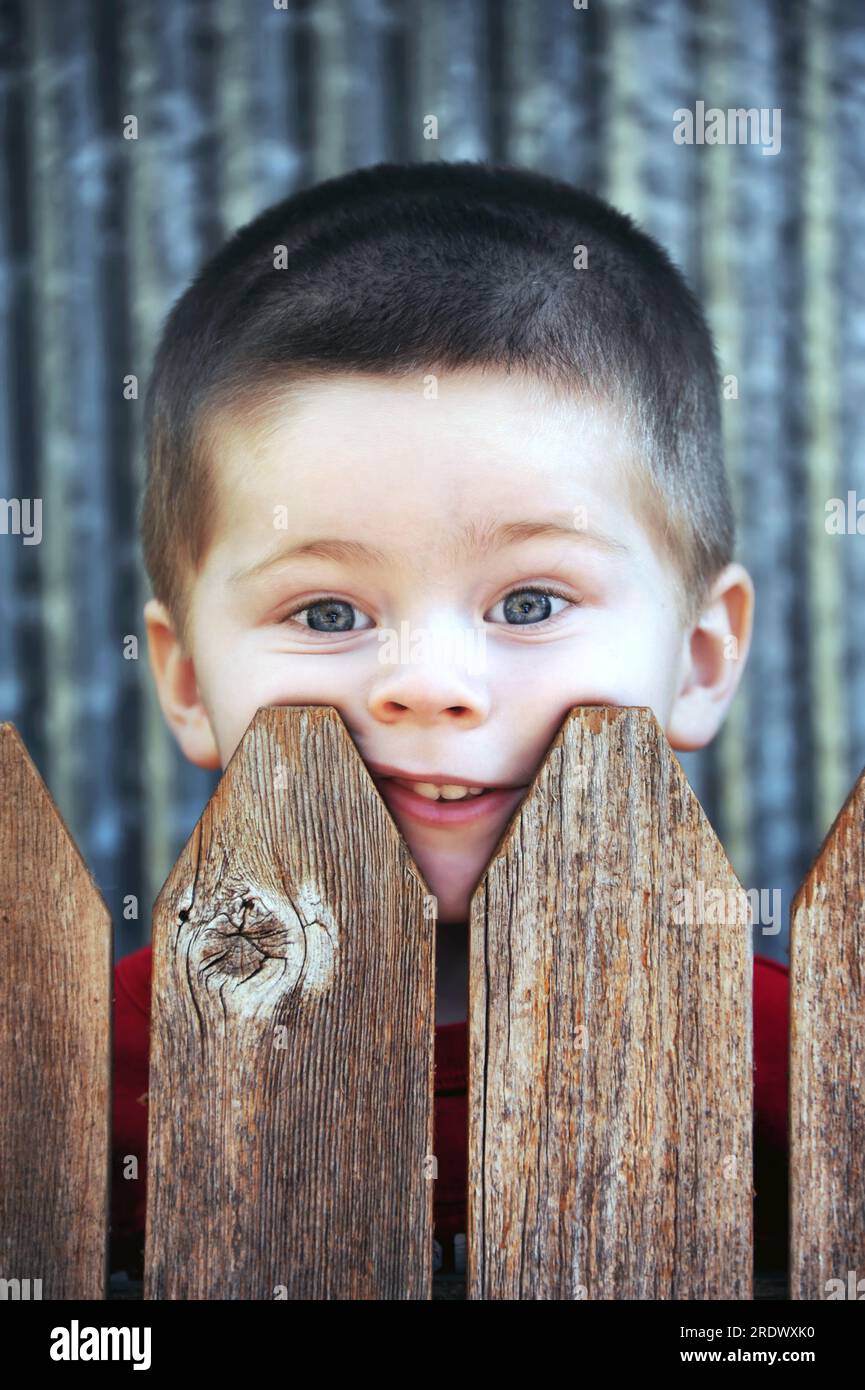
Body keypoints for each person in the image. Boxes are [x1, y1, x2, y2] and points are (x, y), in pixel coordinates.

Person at [111, 160, 788, 1284]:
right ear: (184, 681)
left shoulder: (792, 1073)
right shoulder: (88, 1075)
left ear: (700, 658)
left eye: (529, 602)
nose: (428, 686)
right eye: (327, 610)